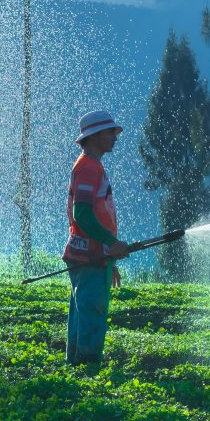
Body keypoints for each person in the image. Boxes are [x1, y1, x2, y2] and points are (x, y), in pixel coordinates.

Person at [64, 109, 131, 364]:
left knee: (82, 313)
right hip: (89, 257)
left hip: (91, 256)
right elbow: (81, 214)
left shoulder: (91, 166)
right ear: (93, 137)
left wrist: (107, 257)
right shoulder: (88, 168)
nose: (115, 136)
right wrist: (110, 243)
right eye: (109, 132)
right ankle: (87, 370)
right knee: (92, 311)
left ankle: (76, 367)